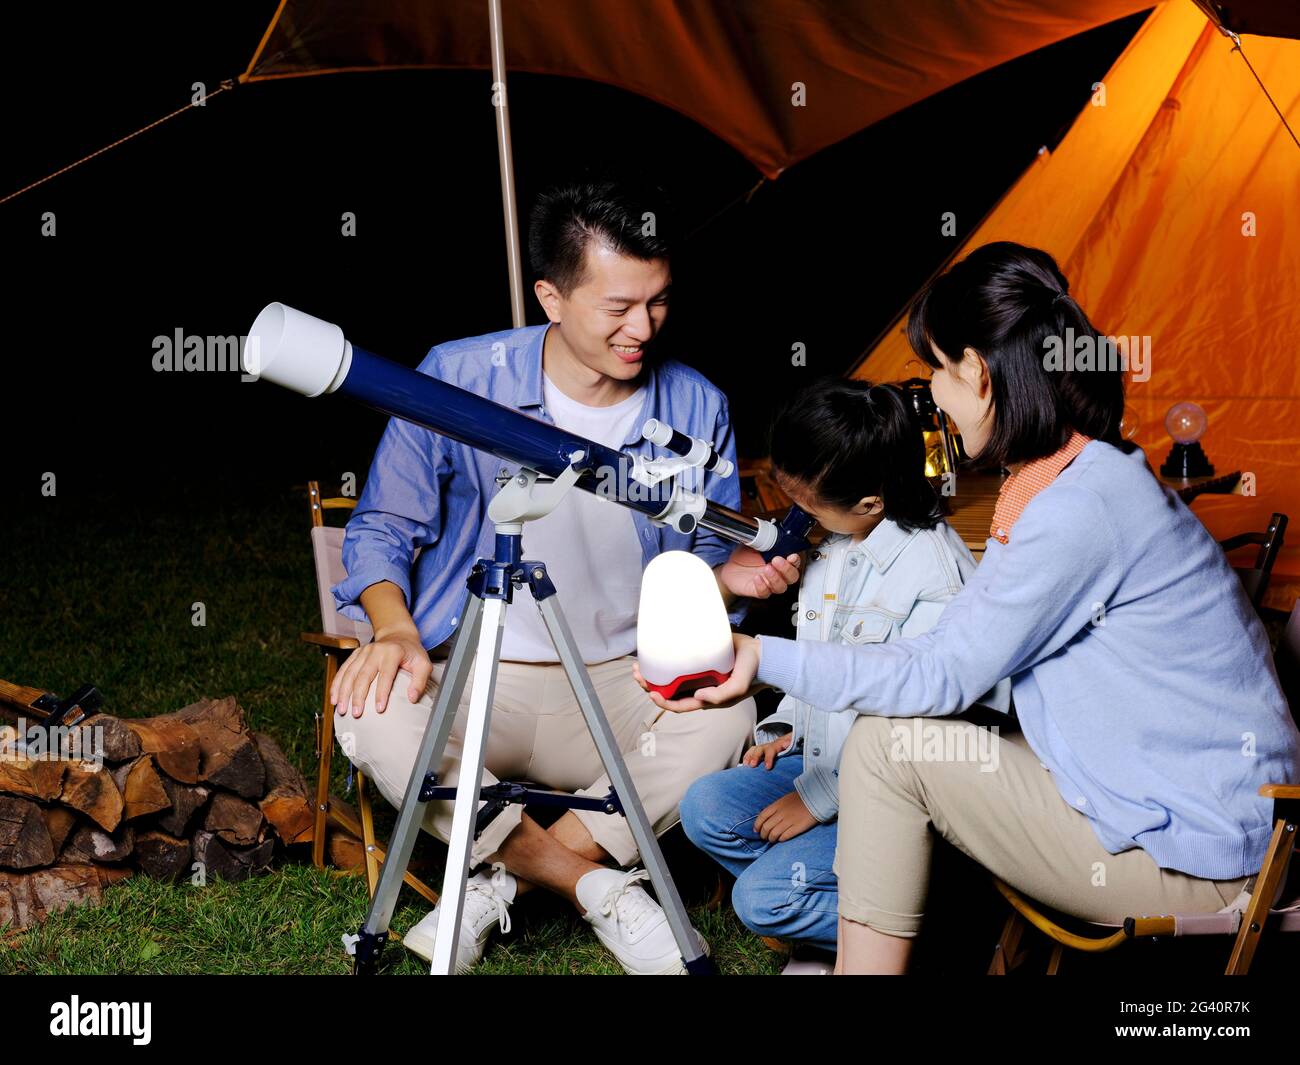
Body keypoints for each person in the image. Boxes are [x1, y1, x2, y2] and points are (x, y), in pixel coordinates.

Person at [638, 241, 1300, 974]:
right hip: (1154, 803)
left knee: (892, 745)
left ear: (977, 374)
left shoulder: (1081, 506)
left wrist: (763, 656)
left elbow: (942, 673)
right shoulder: (1077, 476)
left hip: (1194, 851)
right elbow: (945, 655)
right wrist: (766, 662)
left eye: (937, 370)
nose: (934, 394)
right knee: (902, 737)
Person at [328, 177, 801, 974]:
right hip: (483, 674)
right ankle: (594, 885)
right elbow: (382, 528)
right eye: (617, 307)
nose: (641, 328)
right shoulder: (455, 379)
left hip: (624, 683)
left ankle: (501, 881)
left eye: (657, 302)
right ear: (550, 295)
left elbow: (704, 569)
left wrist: (731, 582)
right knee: (371, 716)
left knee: (725, 718)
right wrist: (393, 628)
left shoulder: (695, 404)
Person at [678, 378, 1009, 974]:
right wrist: (782, 728)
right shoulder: (833, 542)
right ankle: (841, 917)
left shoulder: (935, 576)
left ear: (870, 502)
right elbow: (823, 663)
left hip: (901, 798)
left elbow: (917, 723)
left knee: (764, 898)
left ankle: (931, 930)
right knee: (705, 807)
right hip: (828, 761)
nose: (792, 517)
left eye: (806, 503)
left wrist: (817, 799)